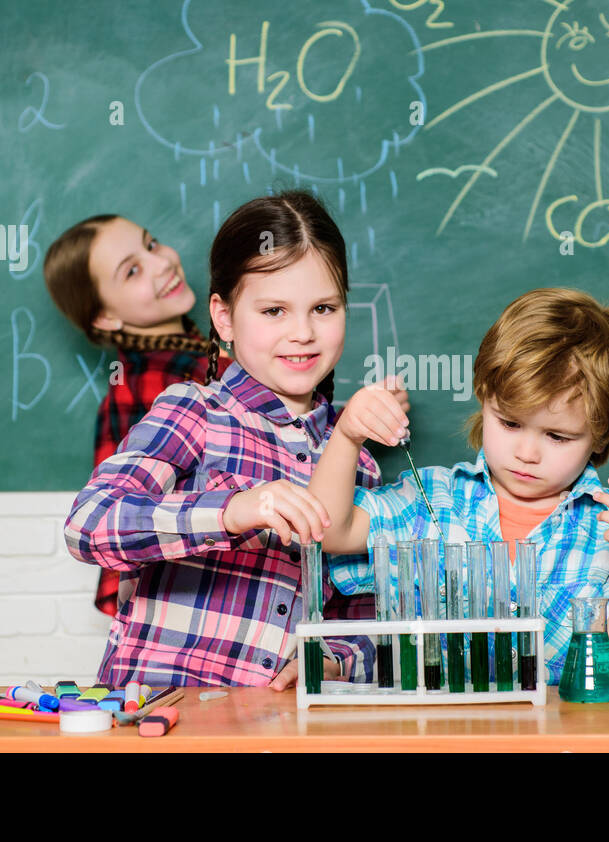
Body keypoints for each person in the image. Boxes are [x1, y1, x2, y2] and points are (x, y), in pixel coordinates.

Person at [63, 191, 388, 689]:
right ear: (225, 318)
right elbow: (89, 524)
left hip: (276, 730)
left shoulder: (356, 460)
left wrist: (337, 660)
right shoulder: (193, 411)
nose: (302, 332)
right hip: (162, 716)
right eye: (274, 310)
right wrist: (234, 510)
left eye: (323, 307)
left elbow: (367, 613)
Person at [309, 288, 609, 684]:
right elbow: (330, 530)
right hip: (434, 739)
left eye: (557, 436)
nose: (527, 452)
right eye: (510, 423)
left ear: (599, 435)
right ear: (484, 397)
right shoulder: (434, 500)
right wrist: (347, 436)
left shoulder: (608, 528)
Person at [44, 215, 231, 616]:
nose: (161, 262)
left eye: (152, 244)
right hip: (187, 600)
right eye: (132, 271)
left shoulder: (195, 356)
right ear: (105, 318)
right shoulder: (156, 382)